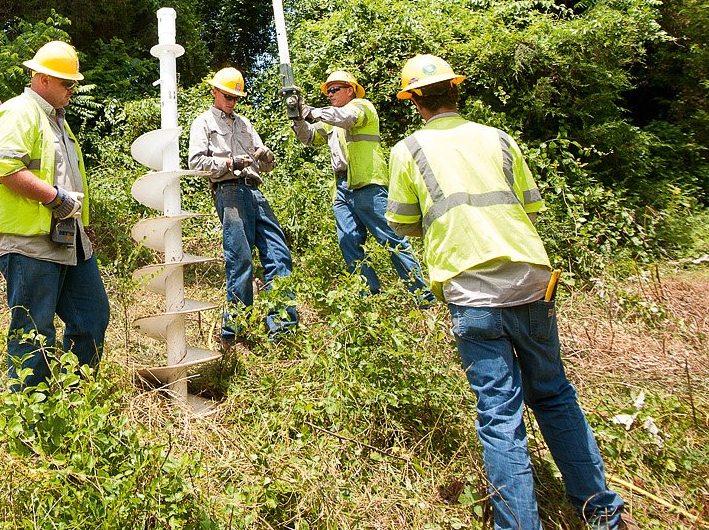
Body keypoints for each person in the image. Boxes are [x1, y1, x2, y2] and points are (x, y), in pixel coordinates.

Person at [386, 54, 630, 530]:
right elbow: (529, 206)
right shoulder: (499, 138)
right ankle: (600, 511)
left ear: (415, 99)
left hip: (470, 291)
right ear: (455, 91)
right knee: (555, 394)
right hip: (531, 280)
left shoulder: (408, 149)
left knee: (499, 414)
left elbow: (401, 223)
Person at [0, 39, 109, 389]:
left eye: (73, 84)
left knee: (92, 317)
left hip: (67, 240)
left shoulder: (56, 121)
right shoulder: (18, 112)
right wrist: (56, 200)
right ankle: (29, 415)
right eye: (67, 83)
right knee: (33, 331)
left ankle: (72, 397)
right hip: (28, 244)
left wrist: (78, 220)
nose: (72, 90)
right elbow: (5, 169)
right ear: (42, 79)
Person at [292, 68, 431, 302]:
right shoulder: (331, 120)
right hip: (343, 187)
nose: (330, 94)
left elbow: (347, 118)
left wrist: (312, 111)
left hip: (368, 184)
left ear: (350, 91)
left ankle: (423, 297)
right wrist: (297, 117)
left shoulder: (363, 107)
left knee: (391, 239)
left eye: (335, 90)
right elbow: (308, 138)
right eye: (328, 91)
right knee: (349, 241)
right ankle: (369, 296)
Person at [188, 66, 298, 346]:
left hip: (255, 193)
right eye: (226, 95)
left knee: (279, 254)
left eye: (235, 98)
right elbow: (196, 163)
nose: (231, 101)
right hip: (229, 191)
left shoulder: (244, 124)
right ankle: (234, 334)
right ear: (214, 91)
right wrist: (229, 163)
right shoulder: (203, 122)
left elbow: (265, 164)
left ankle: (283, 331)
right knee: (241, 260)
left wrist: (266, 157)